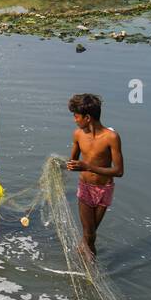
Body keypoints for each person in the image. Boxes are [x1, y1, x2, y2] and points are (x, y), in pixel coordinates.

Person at [66, 93, 123, 259]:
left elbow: (118, 171)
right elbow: (72, 162)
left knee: (89, 235)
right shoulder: (78, 135)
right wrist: (63, 165)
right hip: (85, 188)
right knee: (89, 235)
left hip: (104, 189)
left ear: (88, 117)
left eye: (76, 116)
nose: (75, 120)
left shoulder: (111, 137)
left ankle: (84, 259)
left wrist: (88, 166)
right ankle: (91, 269)